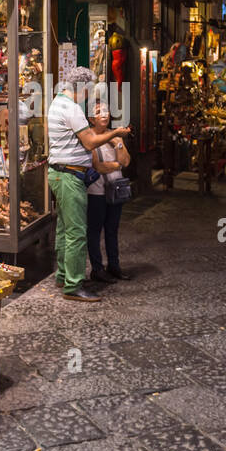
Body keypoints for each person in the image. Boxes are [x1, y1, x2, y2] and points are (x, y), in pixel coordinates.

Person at [48, 67, 130, 303]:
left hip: (58, 174)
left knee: (64, 229)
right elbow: (91, 140)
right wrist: (116, 133)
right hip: (70, 177)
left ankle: (63, 275)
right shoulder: (71, 108)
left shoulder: (56, 102)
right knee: (76, 232)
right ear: (82, 87)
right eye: (88, 91)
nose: (88, 96)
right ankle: (73, 285)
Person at [86, 103, 131, 283]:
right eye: (98, 112)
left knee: (112, 230)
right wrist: (116, 165)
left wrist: (119, 146)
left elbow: (126, 161)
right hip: (96, 192)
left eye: (105, 111)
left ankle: (115, 266)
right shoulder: (89, 138)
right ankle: (97, 269)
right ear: (91, 119)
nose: (104, 115)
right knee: (94, 231)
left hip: (116, 190)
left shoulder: (116, 137)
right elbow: (99, 166)